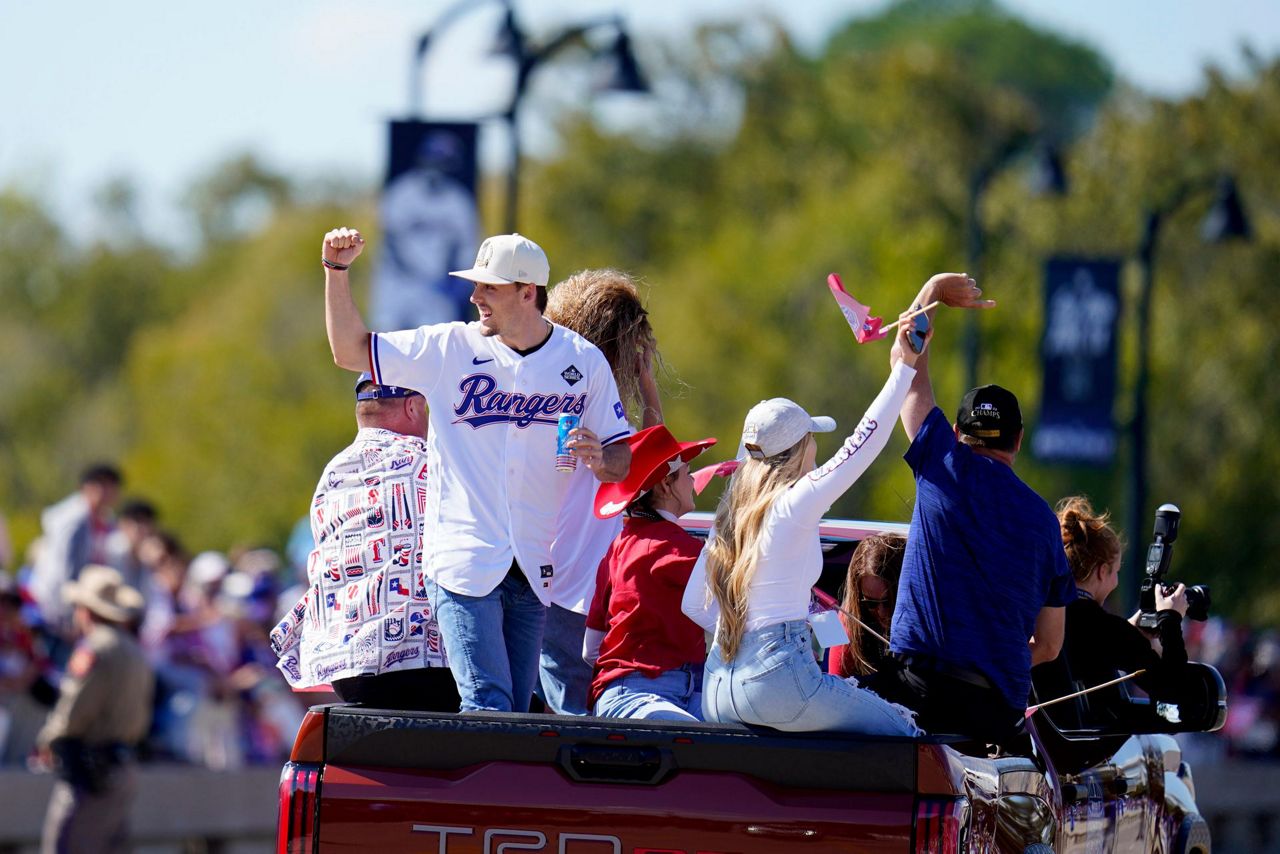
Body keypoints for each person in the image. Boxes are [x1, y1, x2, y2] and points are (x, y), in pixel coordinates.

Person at [321, 227, 632, 712]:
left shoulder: (581, 360)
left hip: (532, 562)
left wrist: (601, 457)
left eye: (490, 286)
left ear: (527, 292)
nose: (475, 296)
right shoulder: (449, 347)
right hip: (464, 557)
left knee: (518, 709)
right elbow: (349, 351)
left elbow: (621, 459)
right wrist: (336, 272)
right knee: (488, 702)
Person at [680, 316, 930, 735]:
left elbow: (694, 605)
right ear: (800, 449)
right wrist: (903, 368)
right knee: (905, 731)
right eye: (811, 438)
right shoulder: (794, 501)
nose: (816, 446)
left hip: (719, 687)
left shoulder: (731, 516)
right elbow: (862, 445)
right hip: (777, 681)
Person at [872, 273, 1075, 744]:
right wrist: (990, 647)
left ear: (959, 433)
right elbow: (1048, 644)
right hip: (993, 719)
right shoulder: (1045, 522)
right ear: (1018, 441)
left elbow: (905, 365)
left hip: (916, 697)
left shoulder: (941, 461)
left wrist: (932, 292)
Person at [271, 373, 458, 712]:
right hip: (426, 661)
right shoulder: (431, 461)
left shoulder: (332, 474)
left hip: (345, 669)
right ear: (414, 407)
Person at [539, 269, 664, 714]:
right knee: (577, 716)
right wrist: (646, 384)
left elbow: (656, 461)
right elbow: (658, 468)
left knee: (573, 713)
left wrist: (647, 384)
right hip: (570, 584)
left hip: (579, 586)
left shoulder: (589, 410)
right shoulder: (574, 409)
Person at [584, 425, 716, 721]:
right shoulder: (675, 545)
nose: (693, 479)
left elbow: (590, 651)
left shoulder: (616, 547)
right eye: (687, 472)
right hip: (652, 698)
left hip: (622, 696)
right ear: (666, 485)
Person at [1033, 496, 1189, 724]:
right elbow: (1174, 695)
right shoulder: (1101, 627)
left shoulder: (1039, 614)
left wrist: (1129, 630)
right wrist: (1171, 619)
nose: (1116, 580)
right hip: (1086, 754)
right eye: (1116, 572)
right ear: (1102, 571)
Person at [36, 566, 152, 854]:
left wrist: (48, 740)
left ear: (86, 610)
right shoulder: (134, 650)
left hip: (90, 770)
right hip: (122, 767)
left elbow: (75, 709)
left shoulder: (96, 648)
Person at [30, 464, 123, 635]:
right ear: (86, 487)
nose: (105, 492)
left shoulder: (103, 521)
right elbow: (66, 568)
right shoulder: (74, 520)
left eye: (110, 487)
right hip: (56, 603)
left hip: (77, 601)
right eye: (100, 485)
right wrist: (71, 611)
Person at [830, 534, 906, 679]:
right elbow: (837, 685)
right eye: (870, 603)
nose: (882, 612)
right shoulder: (848, 623)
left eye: (889, 602)